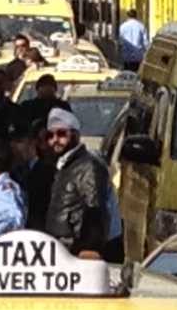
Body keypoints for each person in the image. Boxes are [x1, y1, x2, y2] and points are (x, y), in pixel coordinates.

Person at [30, 104, 114, 259]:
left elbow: (95, 212)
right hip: (57, 249)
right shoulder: (61, 165)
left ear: (75, 135)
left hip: (76, 252)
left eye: (61, 134)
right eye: (50, 135)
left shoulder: (88, 166)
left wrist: (89, 248)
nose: (55, 140)